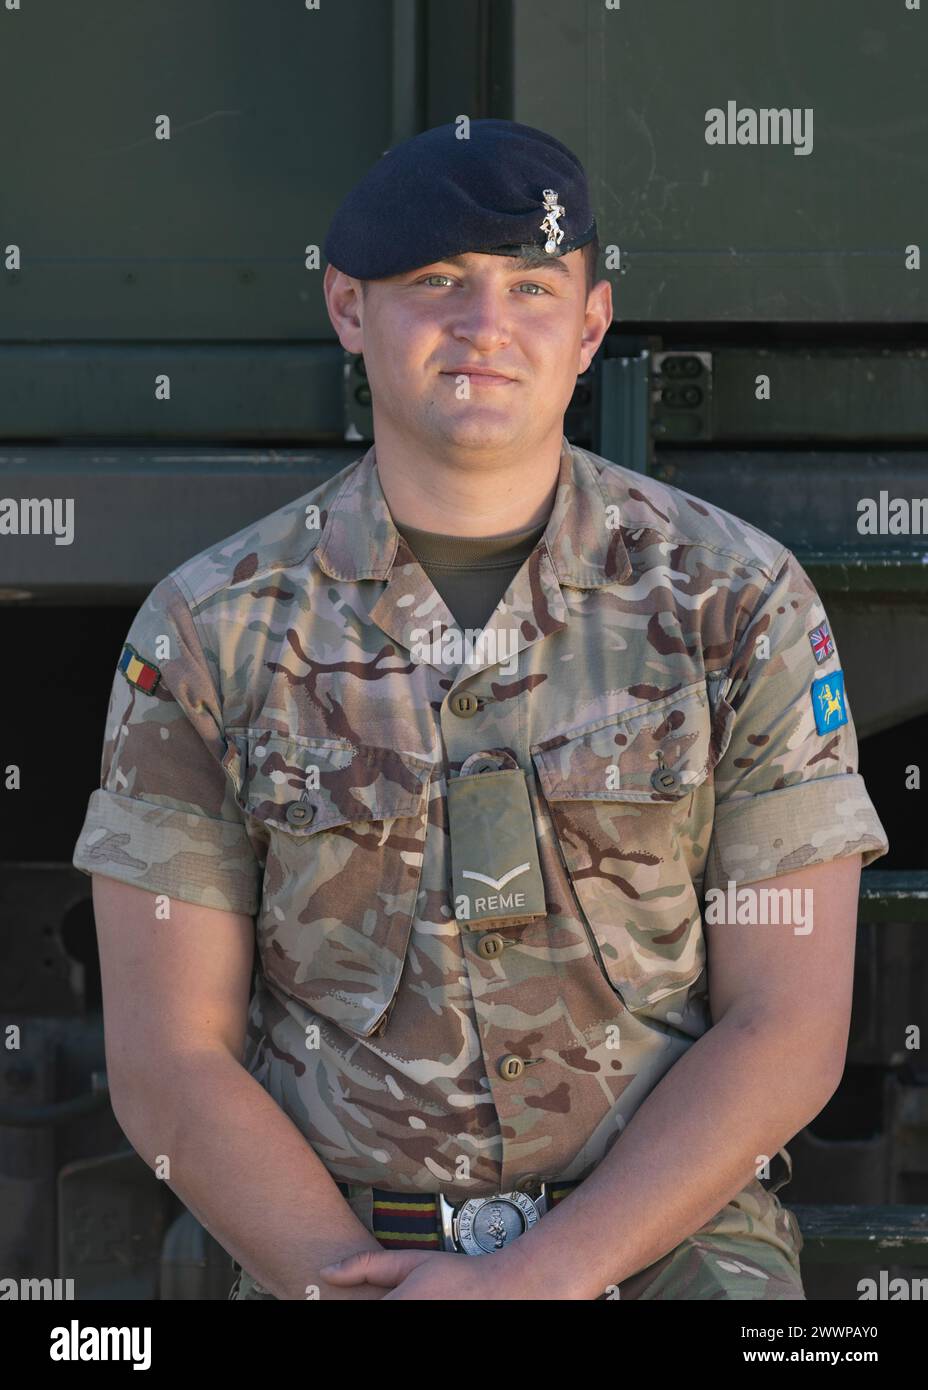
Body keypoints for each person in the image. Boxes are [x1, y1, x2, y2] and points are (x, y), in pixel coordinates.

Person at [73, 118, 889, 1301]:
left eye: (529, 286)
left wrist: (542, 1279)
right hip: (334, 1245)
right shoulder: (215, 629)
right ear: (349, 310)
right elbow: (168, 1059)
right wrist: (346, 1277)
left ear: (591, 324)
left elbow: (789, 1024)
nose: (485, 327)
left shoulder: (731, 599)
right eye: (436, 283)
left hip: (665, 1244)